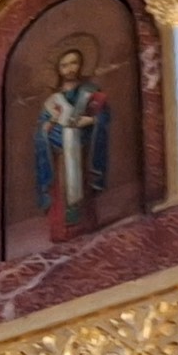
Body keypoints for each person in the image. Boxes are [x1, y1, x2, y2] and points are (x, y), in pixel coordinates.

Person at [34, 47, 112, 242]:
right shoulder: (53, 100)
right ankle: (63, 231)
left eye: (73, 63)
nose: (69, 69)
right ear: (58, 69)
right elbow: (42, 127)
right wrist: (47, 127)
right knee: (61, 189)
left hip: (82, 149)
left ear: (81, 64)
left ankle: (86, 225)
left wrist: (91, 121)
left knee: (82, 184)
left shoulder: (90, 92)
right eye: (64, 65)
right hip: (59, 152)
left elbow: (104, 116)